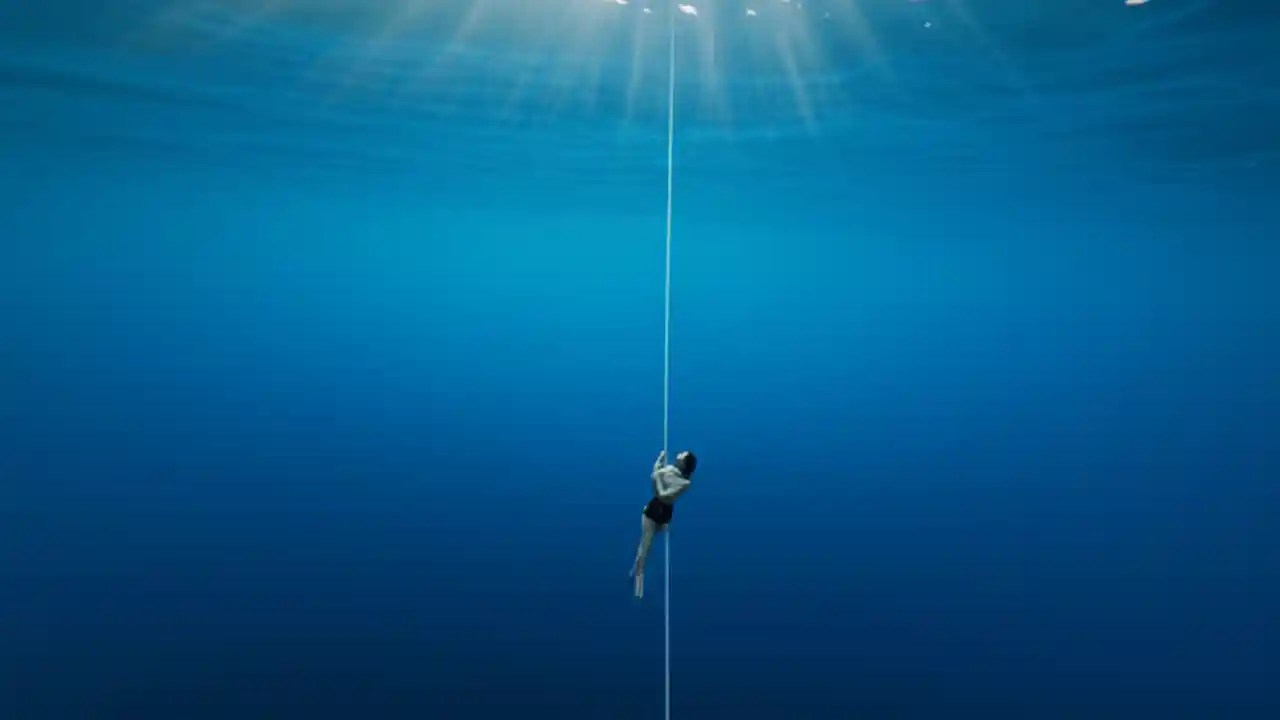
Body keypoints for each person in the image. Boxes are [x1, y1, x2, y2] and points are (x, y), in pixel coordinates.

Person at [630, 449, 697, 599]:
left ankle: (660, 529)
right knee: (645, 548)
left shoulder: (685, 483)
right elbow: (655, 471)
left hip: (664, 515)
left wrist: (657, 477)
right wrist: (659, 461)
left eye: (682, 454)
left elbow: (663, 496)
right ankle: (638, 577)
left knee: (659, 531)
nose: (679, 454)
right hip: (652, 514)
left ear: (684, 463)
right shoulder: (669, 470)